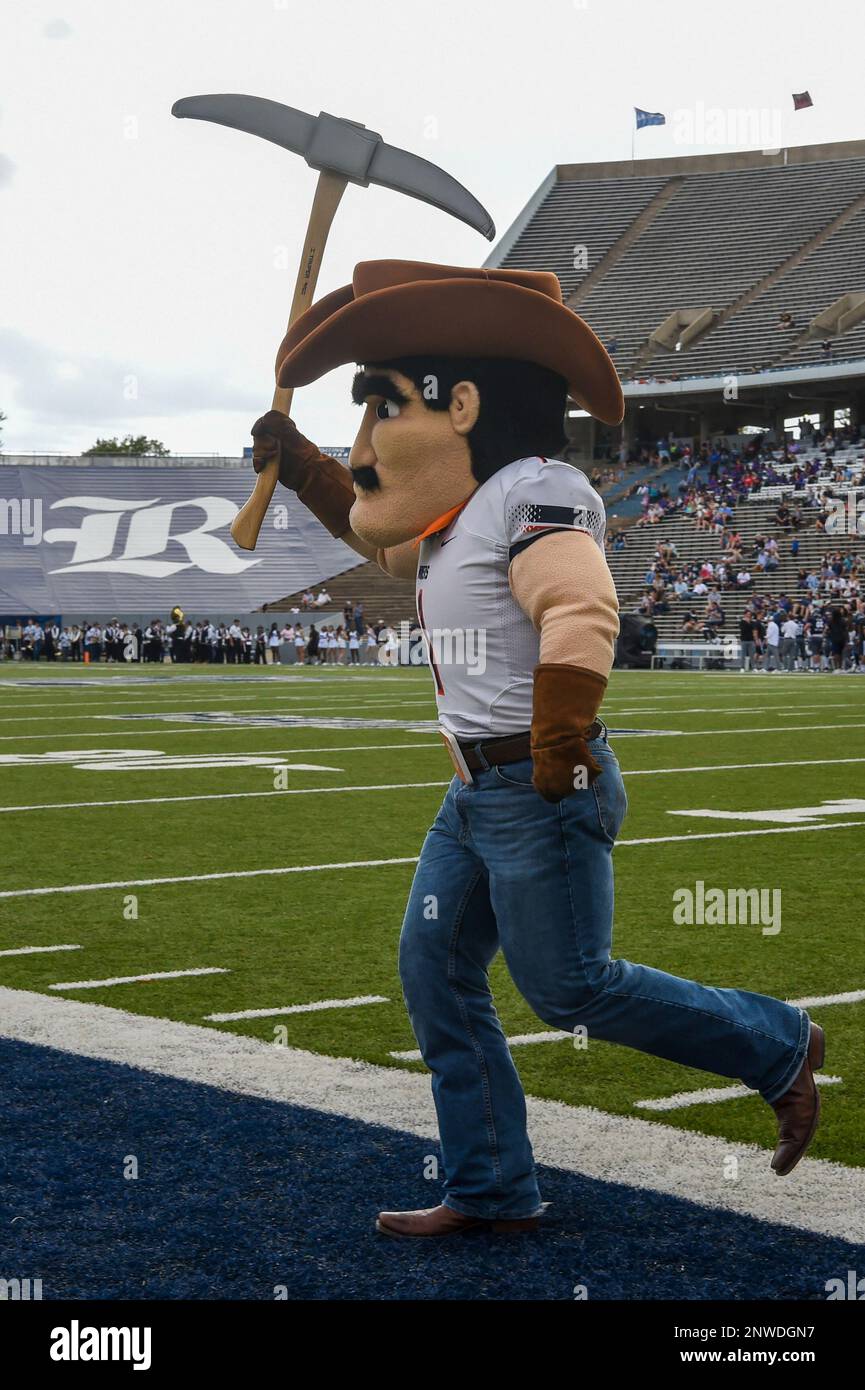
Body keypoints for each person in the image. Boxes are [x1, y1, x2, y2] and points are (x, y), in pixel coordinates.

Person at [249, 257, 822, 1237]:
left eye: (381, 410)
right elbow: (376, 541)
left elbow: (579, 601)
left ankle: (776, 1044)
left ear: (462, 402)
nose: (368, 444)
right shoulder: (455, 508)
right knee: (435, 968)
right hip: (476, 790)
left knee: (568, 988)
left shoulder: (536, 486)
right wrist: (303, 465)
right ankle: (491, 1186)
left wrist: (557, 740)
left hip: (537, 777)